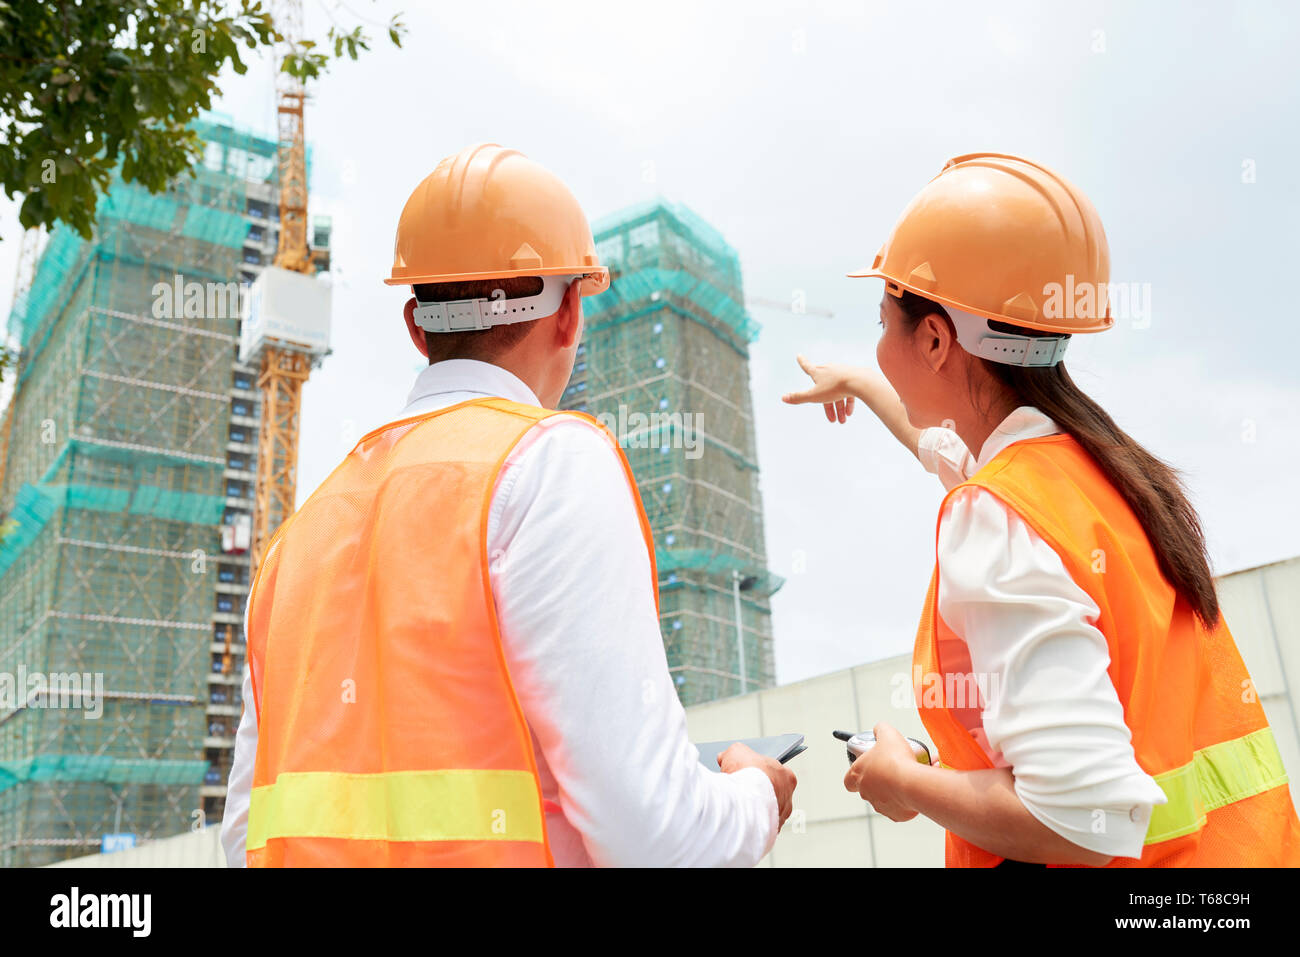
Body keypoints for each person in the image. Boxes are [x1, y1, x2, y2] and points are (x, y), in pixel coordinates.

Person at [220, 143, 795, 867]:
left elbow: (245, 833)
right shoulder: (550, 463)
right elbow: (660, 839)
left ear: (417, 326)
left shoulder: (294, 541)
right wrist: (757, 796)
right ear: (569, 319)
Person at [784, 152, 1300, 867]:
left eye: (883, 322)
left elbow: (1081, 817)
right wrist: (866, 385)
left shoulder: (997, 515)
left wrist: (908, 780)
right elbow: (944, 447)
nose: (877, 344)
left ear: (933, 340)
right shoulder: (1099, 470)